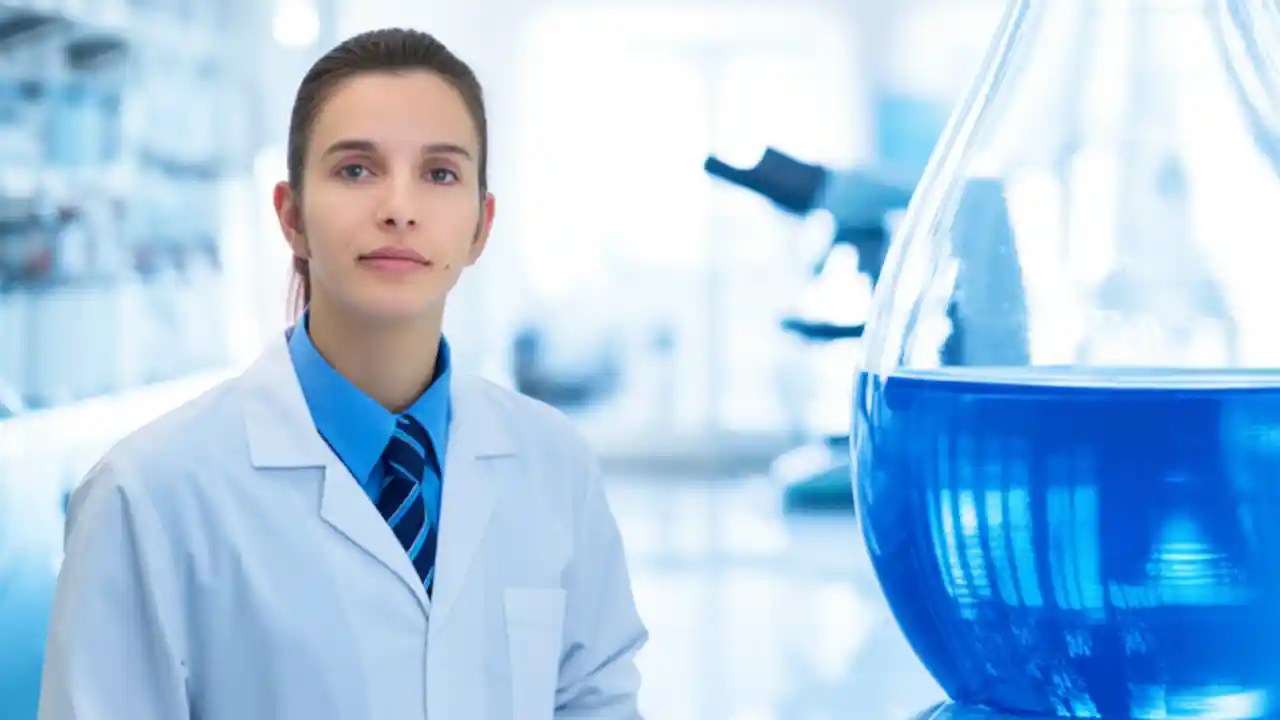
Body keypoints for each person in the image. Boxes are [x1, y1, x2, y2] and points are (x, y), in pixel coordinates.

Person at [38, 28, 648, 719]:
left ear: (481, 226)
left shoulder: (552, 464)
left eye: (439, 173)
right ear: (291, 216)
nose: (398, 206)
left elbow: (594, 700)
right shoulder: (148, 494)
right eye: (356, 169)